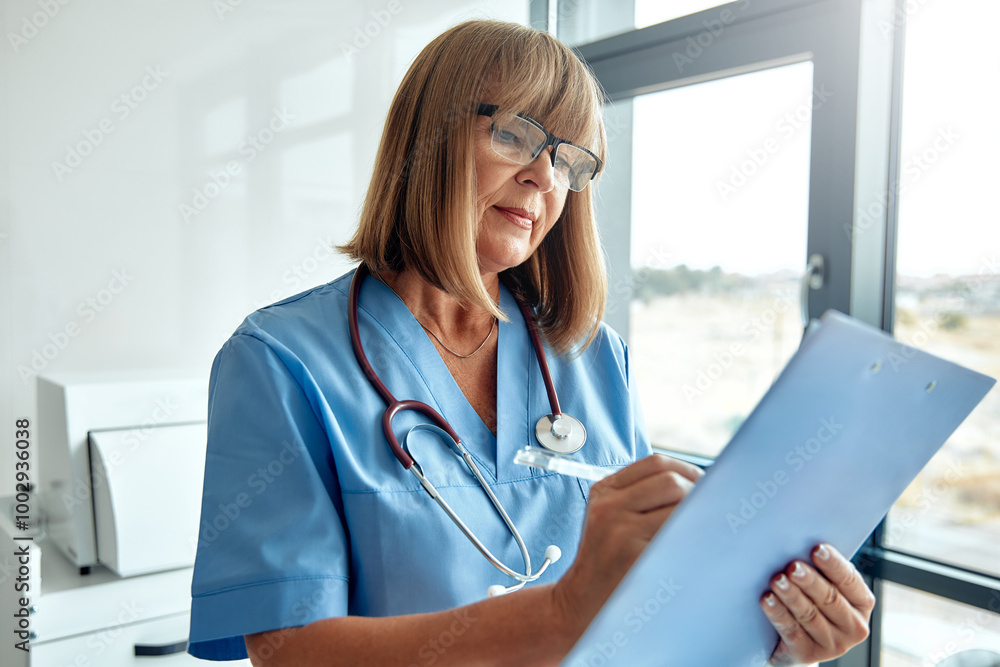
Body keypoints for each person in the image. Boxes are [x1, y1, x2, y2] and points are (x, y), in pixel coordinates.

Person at [187, 19, 875, 666]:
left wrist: (771, 634)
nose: (545, 178)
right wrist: (558, 613)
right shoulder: (282, 360)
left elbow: (646, 602)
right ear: (428, 138)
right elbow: (290, 650)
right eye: (516, 134)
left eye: (569, 160)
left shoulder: (593, 358)